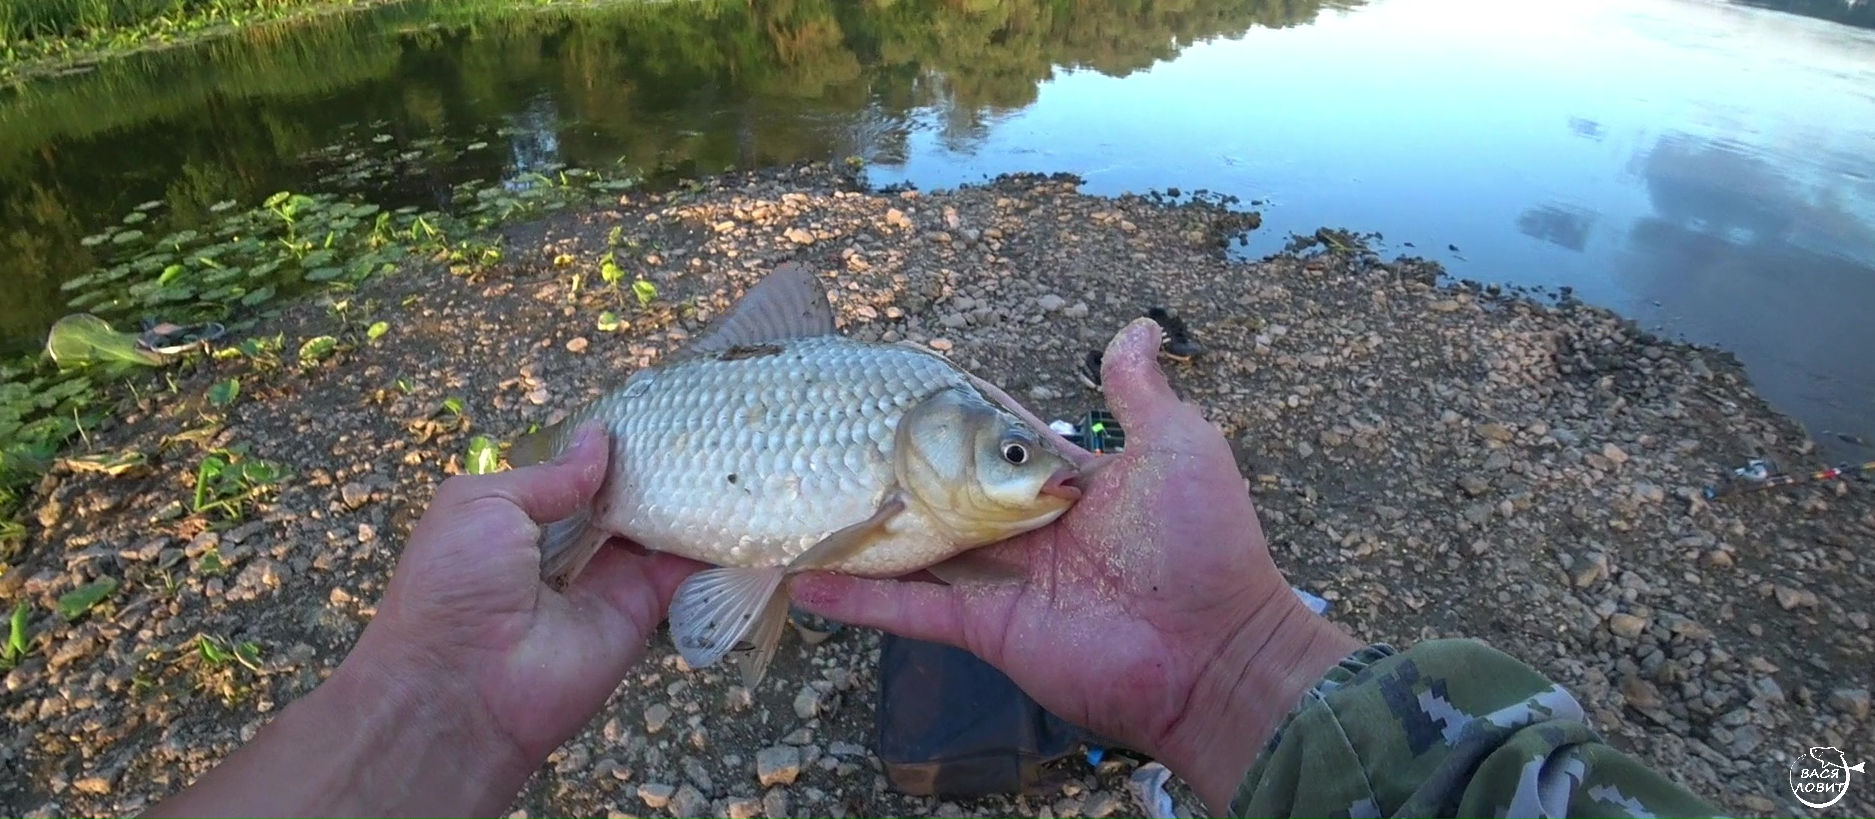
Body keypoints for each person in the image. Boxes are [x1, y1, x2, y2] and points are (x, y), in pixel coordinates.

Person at [141, 319, 1721, 819]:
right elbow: (722, 589)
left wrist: (426, 716)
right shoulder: (844, 437)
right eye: (1019, 459)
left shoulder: (926, 451)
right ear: (950, 441)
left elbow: (739, 596)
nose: (1044, 479)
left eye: (1029, 459)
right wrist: (429, 692)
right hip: (656, 462)